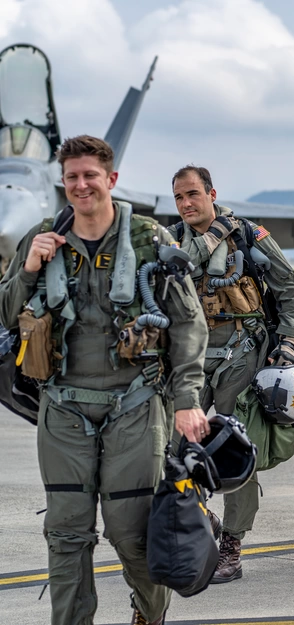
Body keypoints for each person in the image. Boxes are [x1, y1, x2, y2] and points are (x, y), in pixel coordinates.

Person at [0, 136, 209, 625]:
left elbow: (188, 323)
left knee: (132, 532)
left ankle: (149, 615)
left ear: (111, 180)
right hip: (64, 408)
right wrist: (30, 268)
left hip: (134, 407)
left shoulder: (151, 240)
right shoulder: (42, 239)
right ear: (63, 183)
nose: (81, 185)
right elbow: (6, 313)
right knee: (67, 534)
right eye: (71, 177)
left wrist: (186, 400)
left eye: (90, 175)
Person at [170, 165, 294, 583]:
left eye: (193, 194)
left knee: (234, 449)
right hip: (189, 360)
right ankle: (200, 518)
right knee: (167, 449)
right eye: (178, 197)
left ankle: (231, 545)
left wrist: (285, 346)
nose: (187, 203)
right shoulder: (170, 243)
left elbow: (291, 291)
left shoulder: (249, 236)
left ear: (212, 193)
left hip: (240, 356)